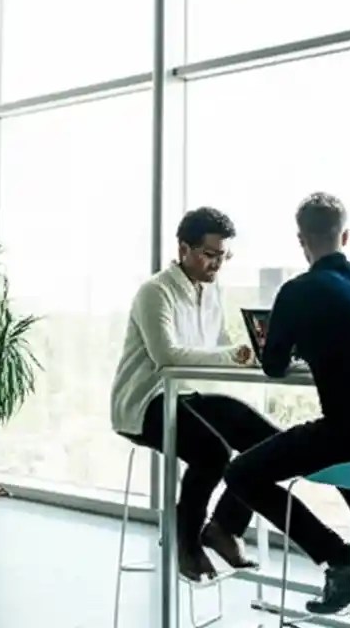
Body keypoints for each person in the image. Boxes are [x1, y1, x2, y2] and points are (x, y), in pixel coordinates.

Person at [223, 192, 350, 614]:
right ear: (344, 235)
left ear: (301, 240)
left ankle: (340, 557)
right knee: (322, 439)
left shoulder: (298, 290)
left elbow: (274, 365)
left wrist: (302, 345)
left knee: (241, 474)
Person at [110, 207, 282, 582]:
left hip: (190, 396)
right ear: (183, 248)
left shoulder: (211, 290)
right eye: (209, 254)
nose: (217, 264)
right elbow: (167, 355)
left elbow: (217, 346)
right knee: (213, 453)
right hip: (145, 401)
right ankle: (186, 543)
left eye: (223, 256)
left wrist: (251, 355)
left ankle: (223, 527)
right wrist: (231, 355)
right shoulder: (155, 292)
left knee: (272, 445)